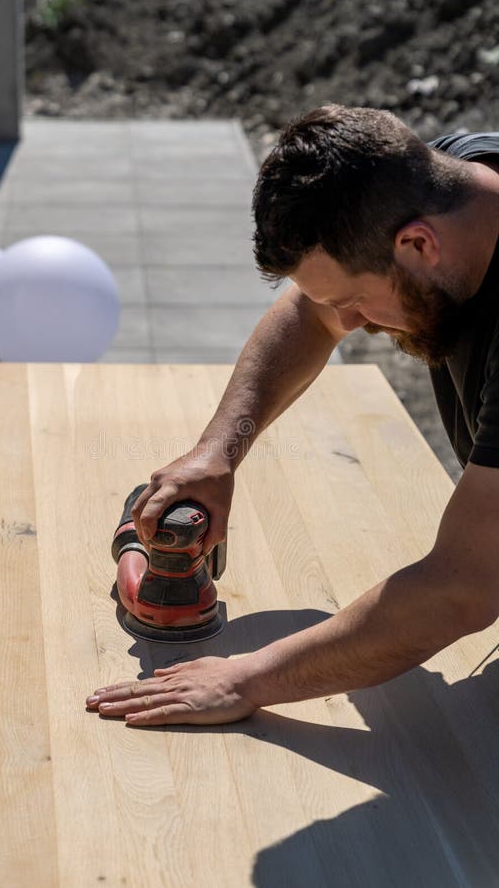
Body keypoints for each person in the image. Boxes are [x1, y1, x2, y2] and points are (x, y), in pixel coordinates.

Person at [86, 105, 499, 727]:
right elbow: (313, 314)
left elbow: (460, 588)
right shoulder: (450, 182)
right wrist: (220, 450)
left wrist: (247, 678)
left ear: (418, 244)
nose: (352, 323)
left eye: (357, 298)